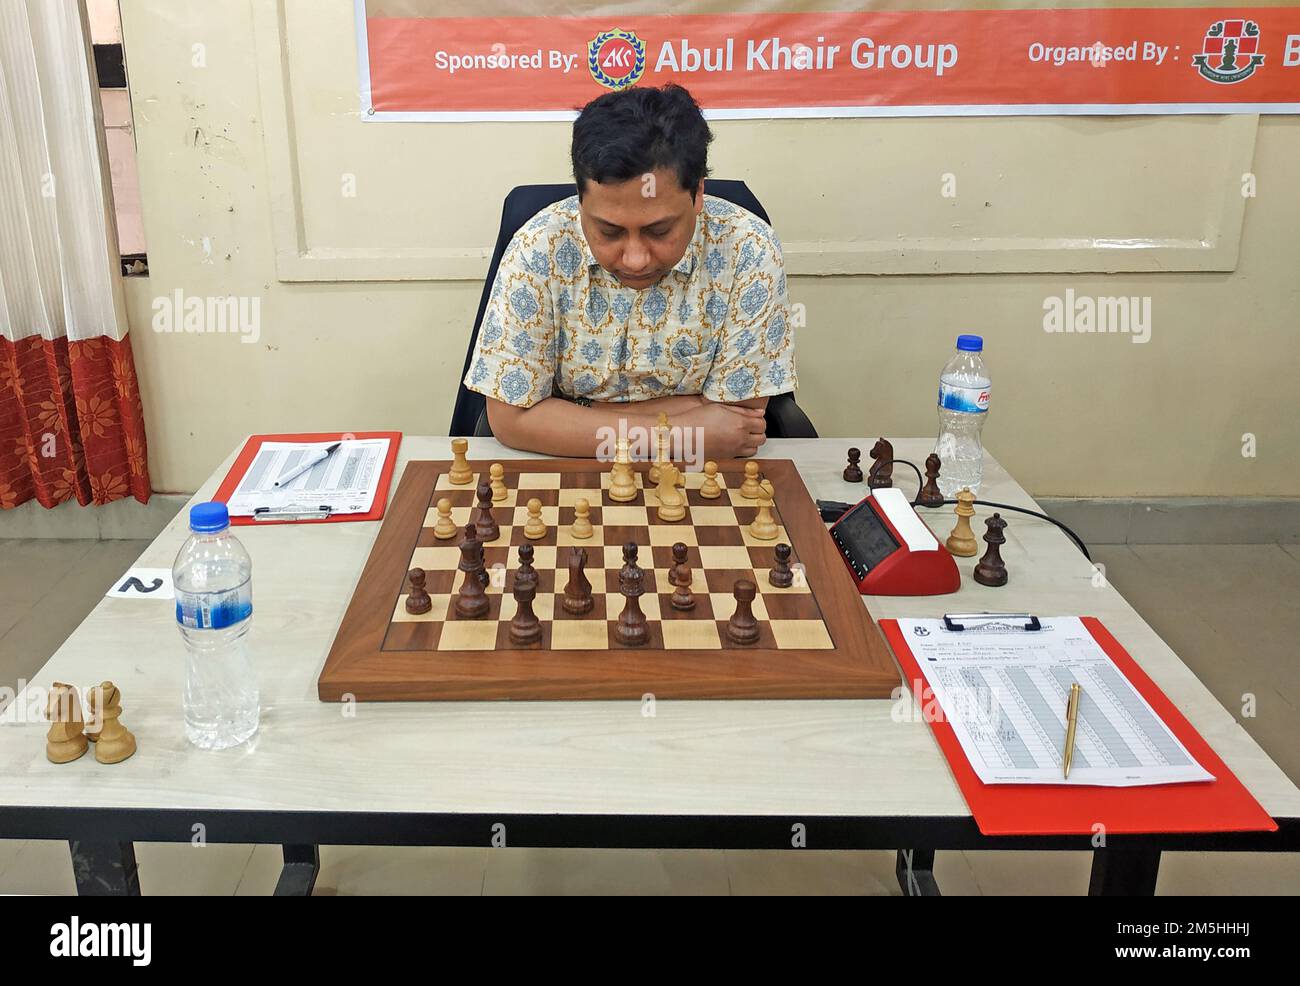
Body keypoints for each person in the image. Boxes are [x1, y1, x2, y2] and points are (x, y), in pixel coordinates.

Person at [463, 83, 796, 460]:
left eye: (659, 231)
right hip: (564, 470)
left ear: (698, 192)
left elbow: (739, 420)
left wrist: (570, 415)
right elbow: (510, 420)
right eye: (609, 231)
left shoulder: (748, 249)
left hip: (702, 479)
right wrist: (684, 432)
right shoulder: (538, 248)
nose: (635, 259)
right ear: (580, 200)